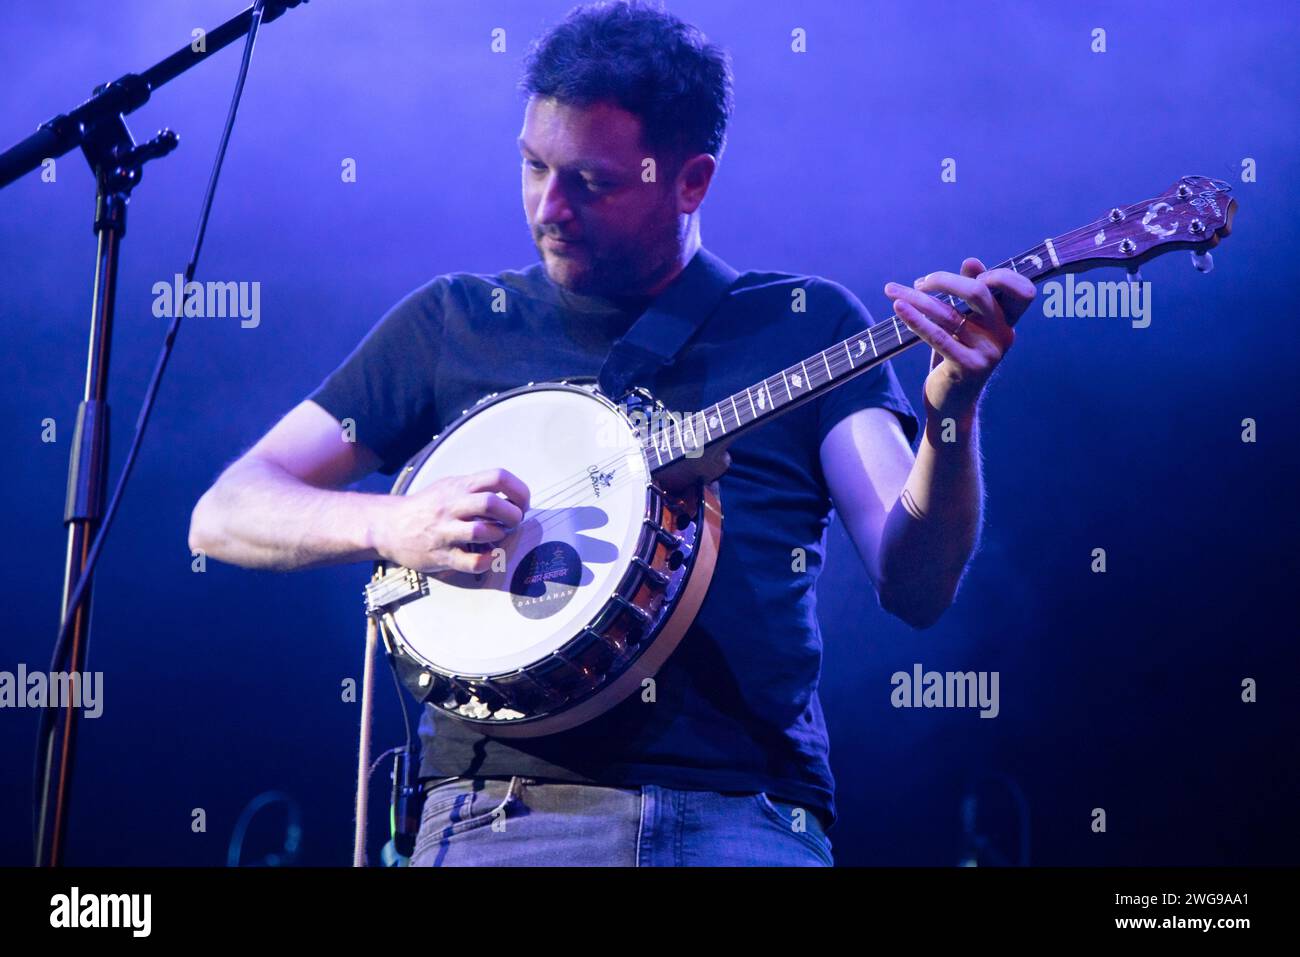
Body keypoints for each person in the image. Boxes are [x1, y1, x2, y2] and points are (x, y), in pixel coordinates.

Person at [188, 0, 1035, 867]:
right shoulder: (455, 320)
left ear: (690, 180)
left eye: (589, 182)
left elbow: (916, 583)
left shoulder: (807, 323)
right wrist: (387, 525)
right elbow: (226, 510)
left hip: (746, 821)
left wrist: (951, 411)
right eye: (531, 166)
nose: (548, 206)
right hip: (503, 818)